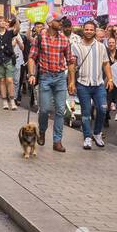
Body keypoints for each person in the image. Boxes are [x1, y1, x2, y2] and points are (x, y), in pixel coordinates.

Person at [27, 16, 75, 152]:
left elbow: (70, 61)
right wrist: (31, 74)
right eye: (58, 21)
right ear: (49, 23)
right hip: (45, 77)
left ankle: (57, 141)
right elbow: (31, 57)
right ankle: (42, 131)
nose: (61, 23)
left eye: (61, 21)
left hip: (60, 78)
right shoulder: (40, 38)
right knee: (44, 109)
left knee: (60, 110)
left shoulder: (65, 40)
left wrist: (71, 81)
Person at [70, 19, 114, 149]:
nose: (89, 31)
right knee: (86, 113)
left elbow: (106, 63)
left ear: (95, 31)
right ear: (83, 30)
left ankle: (97, 133)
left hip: (98, 84)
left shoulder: (101, 46)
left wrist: (110, 79)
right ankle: (87, 137)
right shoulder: (75, 46)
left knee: (102, 109)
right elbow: (72, 65)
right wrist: (72, 81)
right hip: (82, 84)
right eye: (87, 29)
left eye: (91, 29)